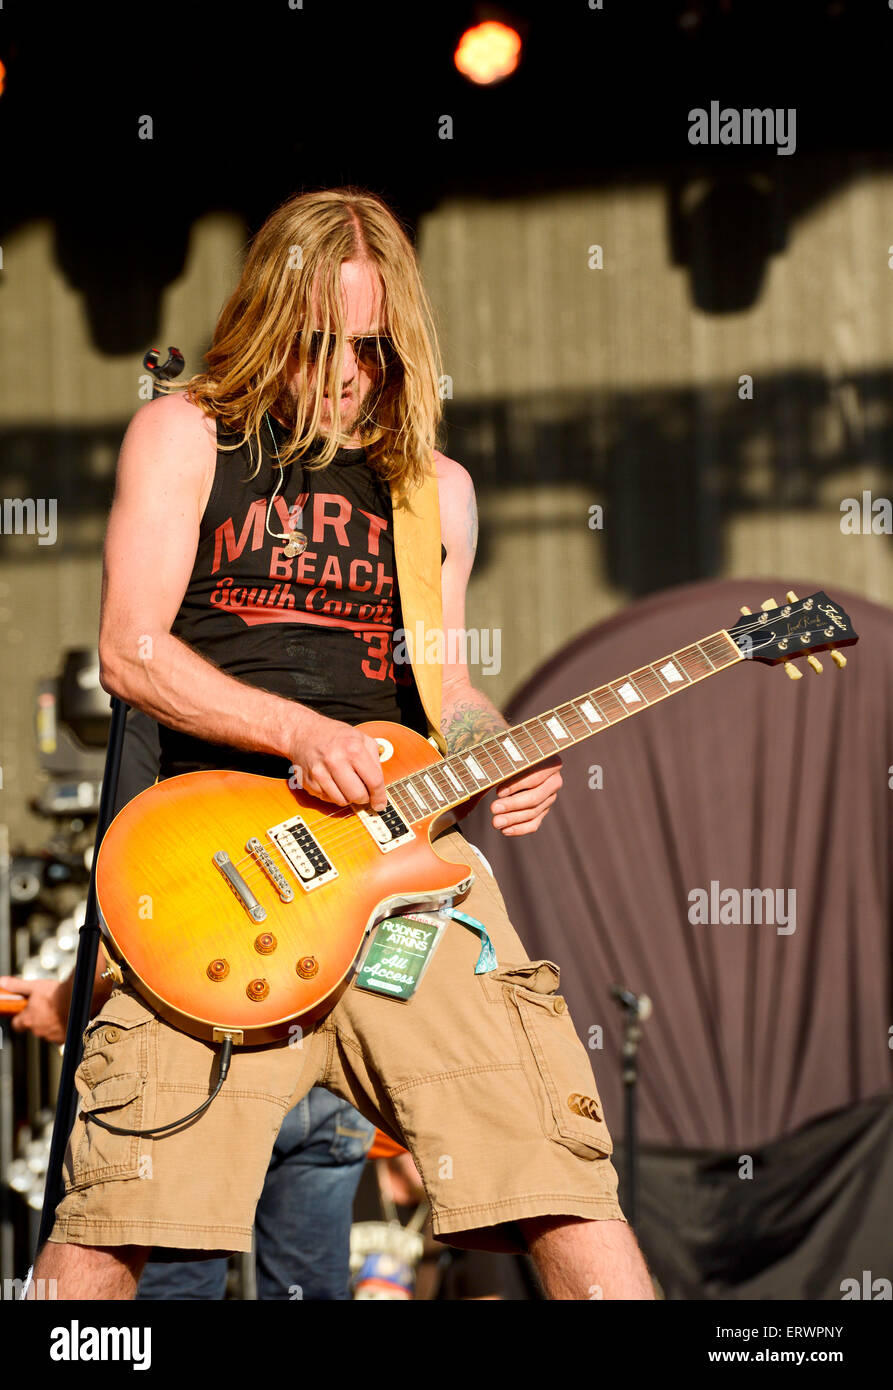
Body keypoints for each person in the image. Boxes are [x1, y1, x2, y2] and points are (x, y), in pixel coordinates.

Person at [32, 186, 654, 1300]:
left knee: (564, 1175)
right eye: (320, 341)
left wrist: (500, 744)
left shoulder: (433, 490)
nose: (343, 371)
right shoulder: (184, 435)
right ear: (272, 315)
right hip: (216, 878)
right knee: (116, 1219)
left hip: (399, 879)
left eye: (370, 346)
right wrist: (297, 730)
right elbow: (131, 651)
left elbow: (449, 685)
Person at [3, 707, 375, 1300]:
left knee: (175, 1286)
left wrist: (61, 1000)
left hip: (204, 1065)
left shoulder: (182, 765)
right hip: (325, 1061)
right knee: (310, 1286)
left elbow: (133, 929)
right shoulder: (359, 739)